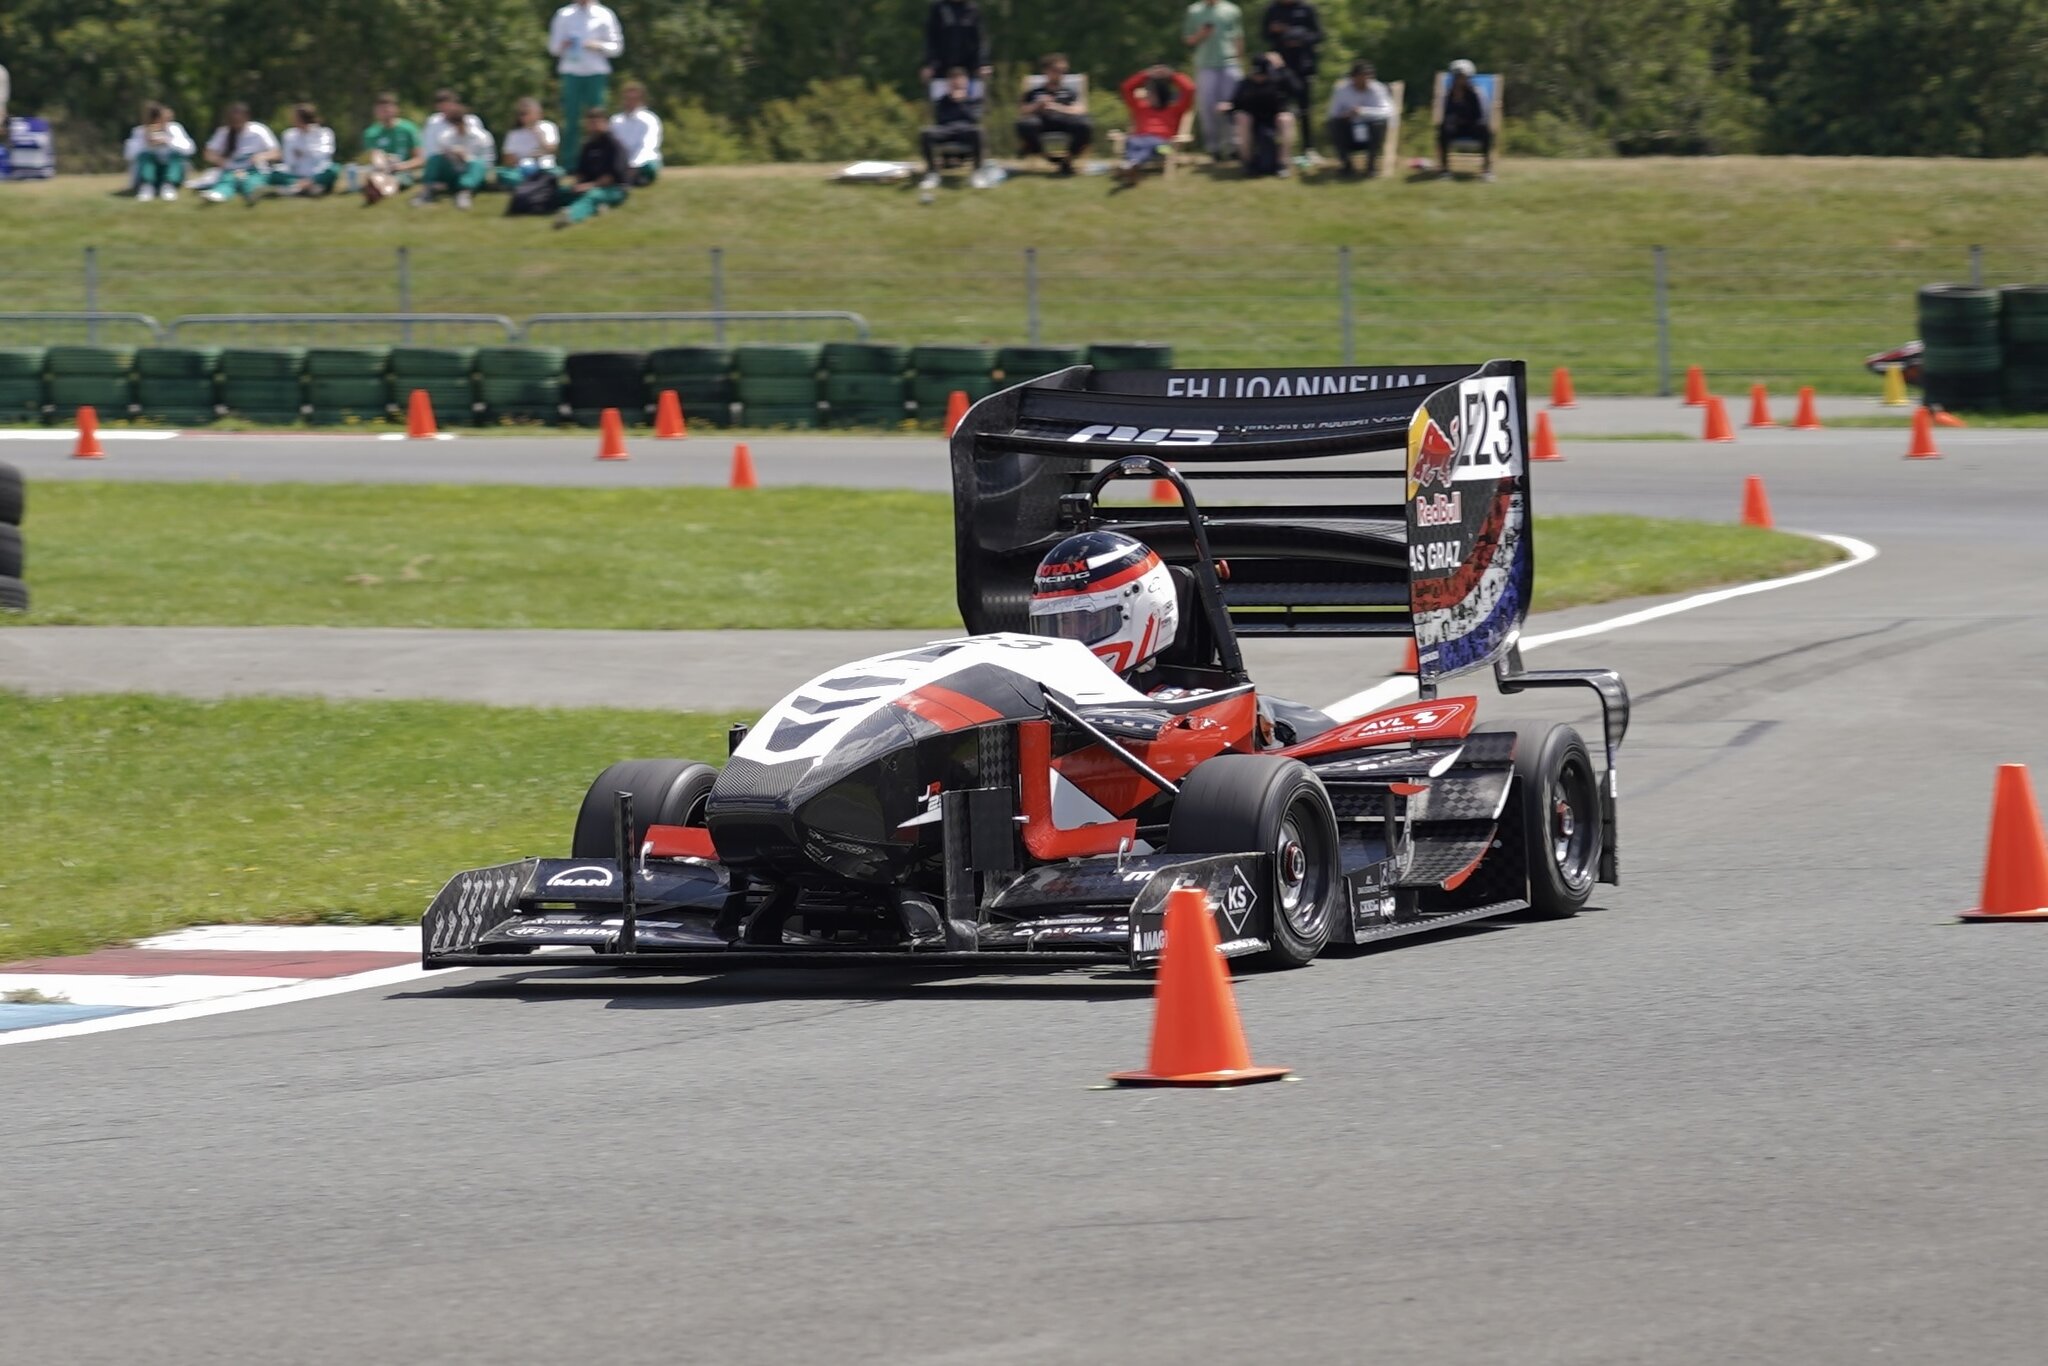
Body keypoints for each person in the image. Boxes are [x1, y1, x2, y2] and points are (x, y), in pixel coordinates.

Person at [1027, 531, 1182, 681]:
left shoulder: (1176, 703)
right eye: (1065, 621)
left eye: (1087, 618)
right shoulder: (1041, 695)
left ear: (1144, 610)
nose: (1072, 634)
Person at [548, 0, 623, 163]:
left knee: (598, 119)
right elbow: (552, 47)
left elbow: (617, 47)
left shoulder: (605, 14)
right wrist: (564, 45)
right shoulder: (564, 14)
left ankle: (602, 159)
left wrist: (598, 45)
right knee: (571, 119)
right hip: (571, 72)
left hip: (596, 71)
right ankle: (570, 161)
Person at [1182, 0, 1245, 159]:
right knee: (1208, 107)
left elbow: (1238, 37)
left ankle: (1234, 147)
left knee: (1232, 106)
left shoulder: (1231, 9)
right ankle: (1213, 148)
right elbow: (1188, 39)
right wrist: (1200, 35)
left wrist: (1239, 61)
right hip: (1205, 65)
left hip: (1229, 63)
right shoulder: (1194, 11)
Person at [412, 90, 494, 209]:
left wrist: (467, 158)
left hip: (472, 171)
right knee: (435, 159)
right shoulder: (446, 136)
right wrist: (451, 155)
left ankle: (465, 193)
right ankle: (427, 192)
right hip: (454, 171)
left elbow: (487, 163)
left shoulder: (481, 137)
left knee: (477, 164)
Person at [1260, 1, 1322, 155]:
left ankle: (1308, 147)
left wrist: (1299, 36)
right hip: (1280, 66)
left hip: (1303, 65)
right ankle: (1279, 149)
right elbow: (1264, 35)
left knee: (1305, 108)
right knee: (1279, 108)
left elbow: (1319, 35)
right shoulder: (1272, 9)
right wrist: (1275, 31)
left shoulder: (1307, 9)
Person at [1116, 65, 1194, 186]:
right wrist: (1146, 74)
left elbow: (1189, 89)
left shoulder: (1174, 109)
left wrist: (1172, 75)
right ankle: (1132, 166)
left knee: (1149, 143)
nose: (1148, 95)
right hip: (1139, 142)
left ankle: (1131, 164)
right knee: (1131, 141)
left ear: (1161, 94)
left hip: (1165, 148)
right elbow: (1126, 88)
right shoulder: (1140, 107)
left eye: (1151, 93)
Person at [1015, 53, 1092, 175]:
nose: (1060, 74)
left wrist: (1057, 107)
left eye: (1063, 71)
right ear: (1046, 71)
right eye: (1057, 70)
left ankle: (1067, 160)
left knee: (1085, 124)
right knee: (1024, 124)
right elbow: (1022, 111)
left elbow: (1081, 110)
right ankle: (1045, 155)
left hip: (1065, 121)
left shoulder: (1069, 92)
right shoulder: (1035, 92)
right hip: (1041, 122)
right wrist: (1037, 105)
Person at [1224, 52, 1299, 176]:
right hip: (1252, 120)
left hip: (1273, 119)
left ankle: (1282, 163)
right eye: (1257, 74)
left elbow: (1297, 89)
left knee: (1286, 119)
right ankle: (1247, 162)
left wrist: (1282, 67)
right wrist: (1227, 107)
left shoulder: (1279, 79)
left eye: (1262, 74)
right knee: (1241, 117)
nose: (1259, 77)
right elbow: (1235, 103)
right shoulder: (1245, 83)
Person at [554, 106, 628, 230]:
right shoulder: (587, 146)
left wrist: (590, 186)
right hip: (590, 185)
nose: (593, 126)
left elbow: (610, 177)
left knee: (593, 195)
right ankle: (598, 206)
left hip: (613, 188)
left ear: (605, 123)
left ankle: (570, 215)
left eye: (596, 122)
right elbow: (581, 171)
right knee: (562, 192)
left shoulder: (614, 145)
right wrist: (576, 184)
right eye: (590, 122)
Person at [198, 103, 280, 204]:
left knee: (252, 182)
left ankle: (253, 194)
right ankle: (218, 194)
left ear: (246, 117)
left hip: (254, 169)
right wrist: (219, 160)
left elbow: (276, 153)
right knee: (227, 181)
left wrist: (262, 156)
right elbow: (208, 153)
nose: (236, 123)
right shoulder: (223, 132)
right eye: (233, 120)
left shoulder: (259, 130)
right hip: (232, 169)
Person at [918, 68, 985, 188]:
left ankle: (977, 173)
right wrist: (951, 99)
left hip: (965, 130)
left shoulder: (972, 100)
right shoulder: (943, 100)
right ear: (949, 84)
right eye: (954, 82)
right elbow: (940, 120)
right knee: (926, 133)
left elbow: (974, 119)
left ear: (965, 83)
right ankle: (932, 173)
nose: (957, 84)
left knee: (978, 131)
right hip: (946, 130)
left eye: (960, 81)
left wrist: (961, 102)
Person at [1326, 60, 1392, 177]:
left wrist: (1363, 112)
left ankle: (1371, 166)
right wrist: (1346, 115)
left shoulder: (1378, 89)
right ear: (1353, 77)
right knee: (1333, 124)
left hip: (1371, 130)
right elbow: (1332, 113)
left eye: (1368, 77)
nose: (1365, 81)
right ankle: (1346, 165)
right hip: (1349, 130)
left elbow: (1387, 111)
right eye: (1361, 77)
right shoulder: (1341, 89)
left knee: (1379, 124)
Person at [357, 92, 422, 204]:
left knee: (398, 179)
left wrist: (400, 166)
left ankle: (379, 191)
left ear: (396, 109)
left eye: (387, 110)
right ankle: (376, 188)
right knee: (374, 175)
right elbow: (371, 157)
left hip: (402, 170)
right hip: (380, 169)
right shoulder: (370, 133)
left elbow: (420, 159)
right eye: (381, 110)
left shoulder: (408, 129)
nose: (384, 113)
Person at [124, 102, 195, 202]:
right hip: (149, 172)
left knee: (175, 155)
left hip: (171, 171)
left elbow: (190, 149)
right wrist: (146, 143)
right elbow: (129, 155)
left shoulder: (175, 129)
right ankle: (147, 187)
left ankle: (168, 186)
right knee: (145, 155)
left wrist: (168, 141)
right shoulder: (139, 131)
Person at [261, 102, 336, 196]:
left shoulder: (324, 133)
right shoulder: (289, 135)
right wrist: (301, 155)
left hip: (317, 172)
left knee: (333, 169)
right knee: (273, 174)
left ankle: (297, 187)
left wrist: (304, 152)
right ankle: (307, 187)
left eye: (295, 118)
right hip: (296, 174)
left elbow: (324, 155)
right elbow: (289, 161)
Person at [1438, 58, 1493, 180]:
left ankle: (1486, 170)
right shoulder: (1449, 94)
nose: (1459, 80)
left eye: (1462, 77)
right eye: (1457, 77)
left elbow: (1482, 115)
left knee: (1485, 129)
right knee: (1442, 128)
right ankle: (1444, 170)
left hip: (1473, 126)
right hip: (1457, 127)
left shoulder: (1477, 93)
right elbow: (1447, 114)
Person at [498, 96, 560, 187]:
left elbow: (552, 149)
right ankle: (535, 184)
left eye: (527, 113)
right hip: (521, 169)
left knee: (556, 173)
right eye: (521, 114)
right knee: (503, 174)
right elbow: (508, 160)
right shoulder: (514, 134)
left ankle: (532, 184)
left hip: (545, 167)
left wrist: (538, 134)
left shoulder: (548, 127)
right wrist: (527, 157)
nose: (524, 117)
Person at [921, 0, 990, 81]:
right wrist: (930, 64)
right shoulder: (938, 8)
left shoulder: (973, 9)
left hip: (970, 69)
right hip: (941, 69)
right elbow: (931, 39)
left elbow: (980, 39)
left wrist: (982, 63)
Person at [609, 82, 662, 185]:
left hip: (644, 161)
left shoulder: (649, 120)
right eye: (627, 99)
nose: (630, 102)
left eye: (634, 99)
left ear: (640, 101)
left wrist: (634, 164)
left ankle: (632, 178)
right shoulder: (615, 120)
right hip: (623, 161)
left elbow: (648, 146)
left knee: (649, 167)